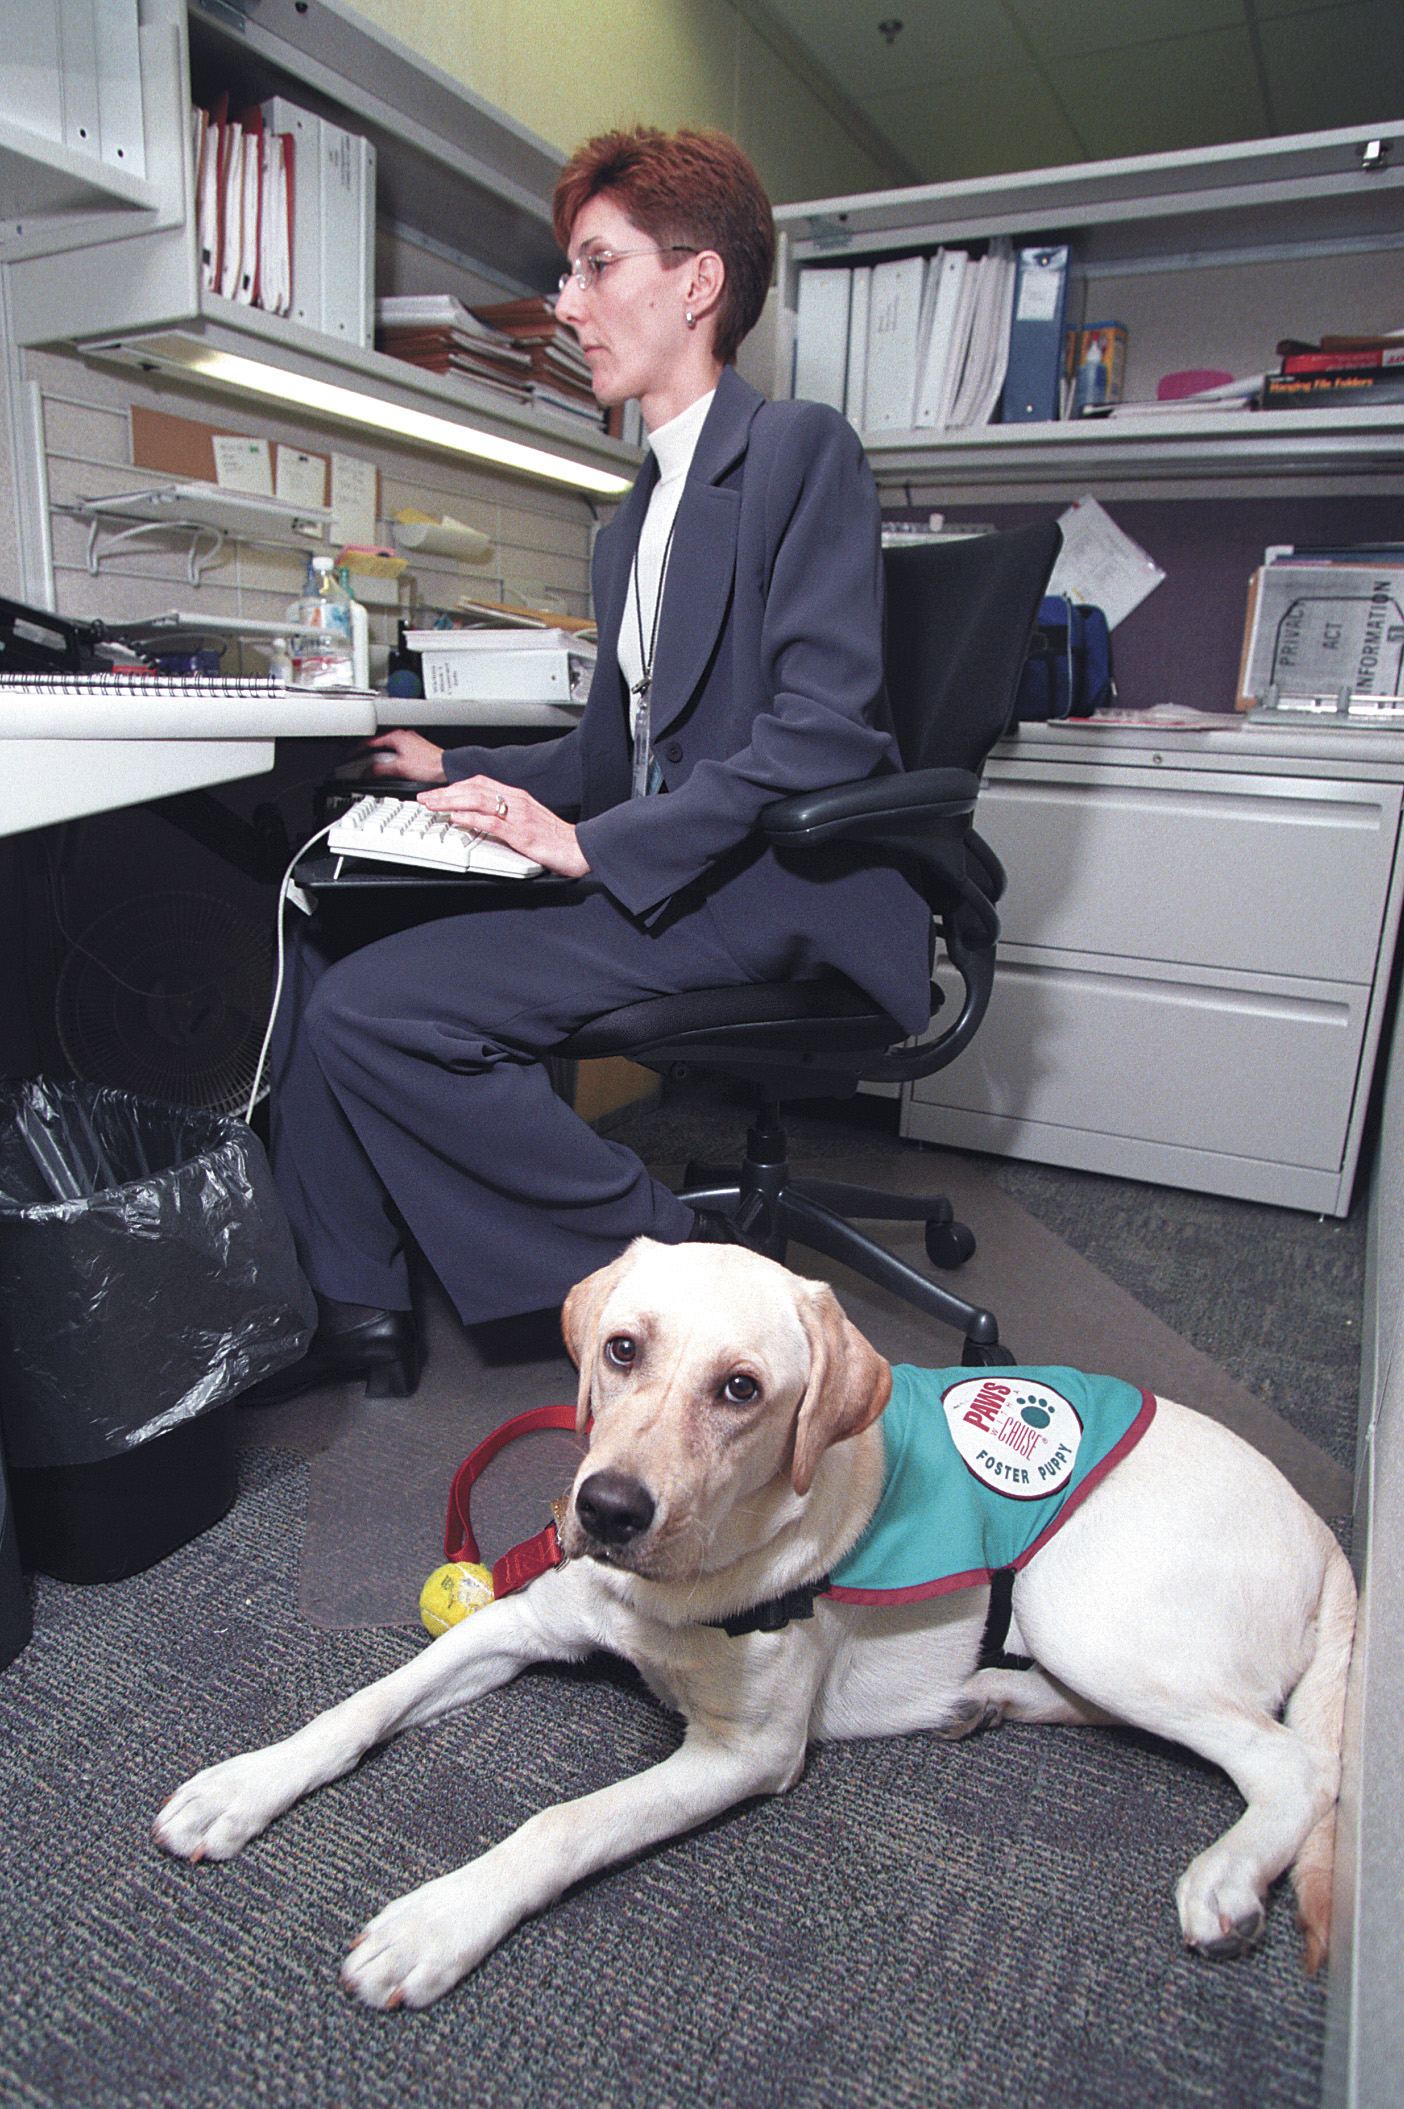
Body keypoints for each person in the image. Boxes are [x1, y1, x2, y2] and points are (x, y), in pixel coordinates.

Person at [253, 124, 933, 1404]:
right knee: (330, 928)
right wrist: (453, 762)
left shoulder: (798, 451)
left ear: (698, 282)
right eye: (567, 275)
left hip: (770, 885)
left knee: (380, 1013)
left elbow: (824, 728)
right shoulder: (633, 522)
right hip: (678, 868)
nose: (568, 306)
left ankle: (680, 1265)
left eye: (594, 266)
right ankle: (354, 1303)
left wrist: (591, 845)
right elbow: (613, 748)